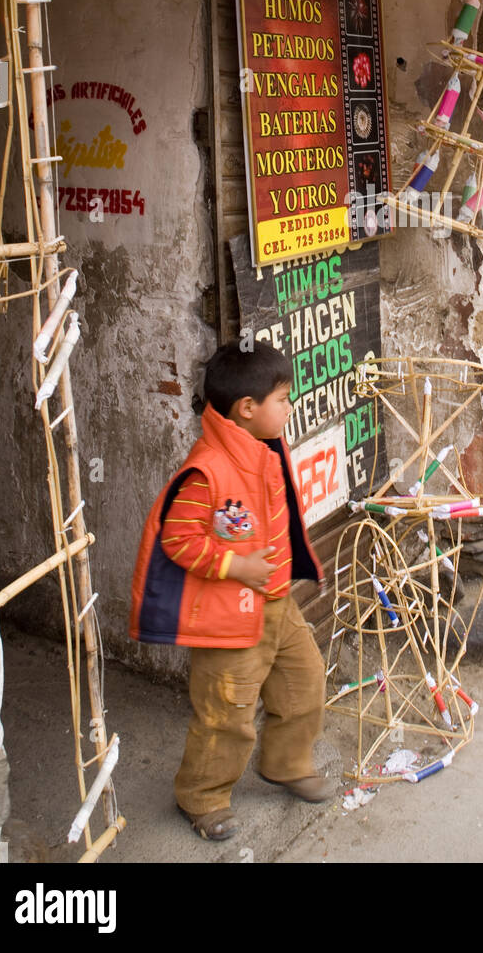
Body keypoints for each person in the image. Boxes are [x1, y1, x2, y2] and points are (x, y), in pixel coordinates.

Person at [129, 340, 329, 840]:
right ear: (247, 408)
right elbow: (178, 538)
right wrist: (236, 565)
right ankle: (203, 796)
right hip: (229, 619)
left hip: (278, 607)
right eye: (283, 399)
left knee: (304, 685)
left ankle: (286, 762)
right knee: (227, 714)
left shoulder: (263, 449)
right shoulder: (207, 470)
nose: (290, 407)